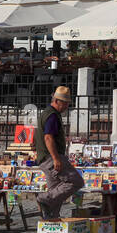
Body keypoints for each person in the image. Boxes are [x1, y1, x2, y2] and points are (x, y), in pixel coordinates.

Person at [34, 86, 83, 220]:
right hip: (51, 158)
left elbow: (40, 136)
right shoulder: (52, 115)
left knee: (56, 189)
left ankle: (51, 221)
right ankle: (44, 199)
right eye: (65, 103)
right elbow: (48, 137)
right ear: (56, 101)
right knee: (76, 181)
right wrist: (56, 159)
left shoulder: (45, 113)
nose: (67, 106)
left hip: (44, 158)